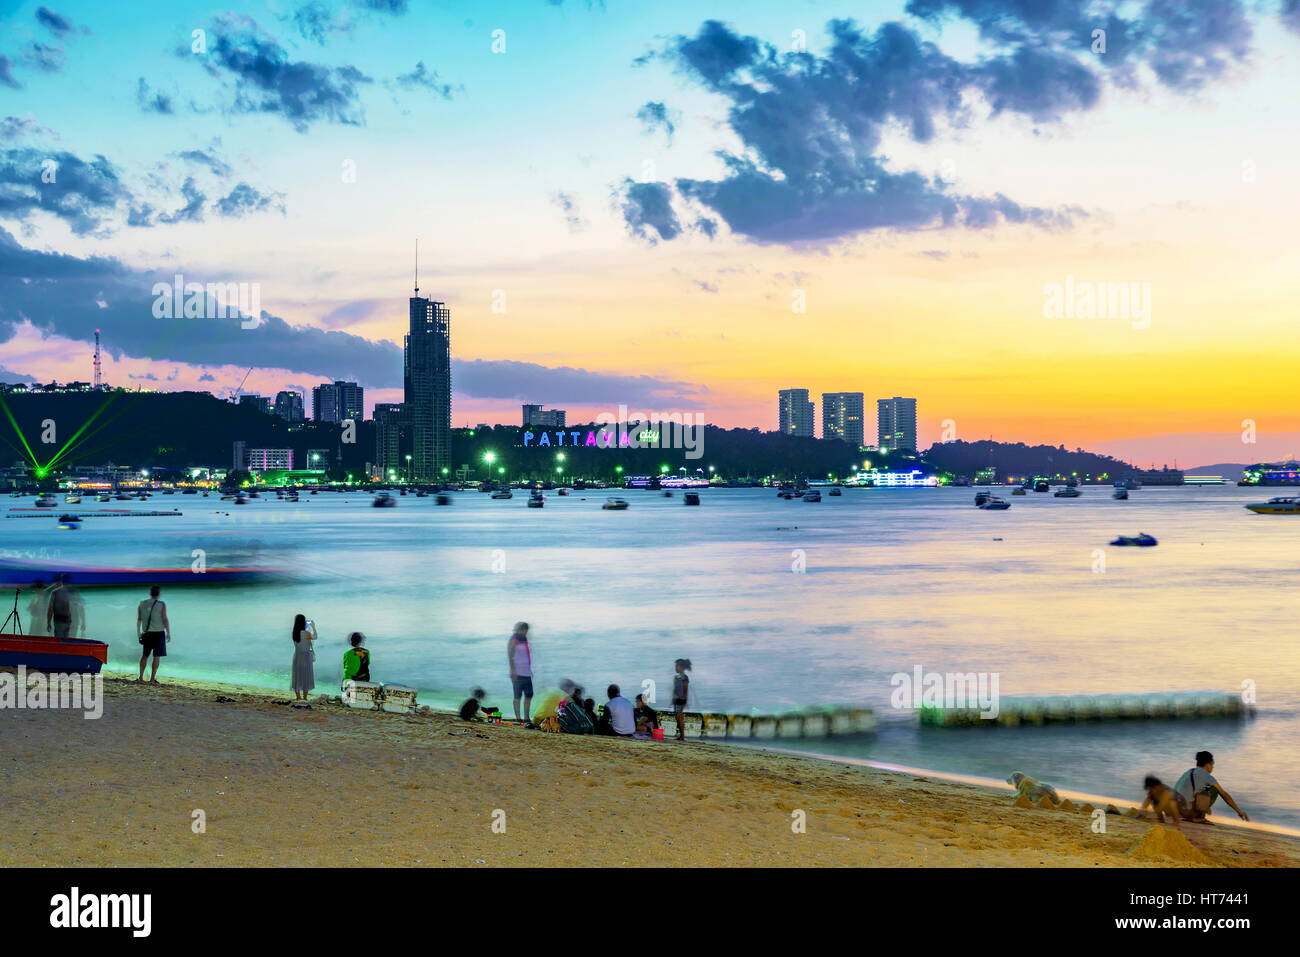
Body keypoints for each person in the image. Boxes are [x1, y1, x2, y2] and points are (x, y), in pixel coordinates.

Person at [1174, 751, 1249, 823]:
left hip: (1175, 810)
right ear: (1208, 764)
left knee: (1205, 788)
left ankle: (1192, 814)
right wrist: (1239, 812)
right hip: (1187, 812)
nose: (1213, 767)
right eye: (1212, 765)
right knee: (1214, 789)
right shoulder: (1207, 776)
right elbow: (1224, 795)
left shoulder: (1189, 772)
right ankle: (1198, 817)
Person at [136, 585, 171, 684]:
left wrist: (139, 633)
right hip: (158, 633)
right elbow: (165, 619)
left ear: (150, 593)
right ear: (159, 594)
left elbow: (139, 619)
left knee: (145, 655)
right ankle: (152, 679)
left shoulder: (142, 604)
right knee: (156, 656)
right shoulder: (161, 604)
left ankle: (141, 677)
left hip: (147, 633)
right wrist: (168, 632)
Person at [507, 622, 533, 725]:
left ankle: (526, 717)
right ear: (519, 629)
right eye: (524, 630)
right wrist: (512, 670)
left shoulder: (525, 639)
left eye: (526, 630)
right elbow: (510, 656)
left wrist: (529, 670)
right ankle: (518, 718)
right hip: (517, 672)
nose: (525, 632)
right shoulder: (514, 639)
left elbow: (526, 656)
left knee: (529, 695)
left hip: (526, 672)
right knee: (517, 696)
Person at [291, 613, 316, 703]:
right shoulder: (307, 633)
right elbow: (315, 637)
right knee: (306, 677)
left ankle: (298, 697)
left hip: (297, 657)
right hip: (306, 657)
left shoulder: (294, 634)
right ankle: (305, 698)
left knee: (297, 677)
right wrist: (313, 626)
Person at [672, 658, 692, 741]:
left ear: (681, 667)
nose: (675, 668)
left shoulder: (685, 677)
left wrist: (685, 700)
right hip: (676, 699)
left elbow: (685, 689)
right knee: (677, 717)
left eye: (677, 666)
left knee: (679, 717)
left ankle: (682, 736)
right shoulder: (676, 677)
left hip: (681, 699)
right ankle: (681, 735)